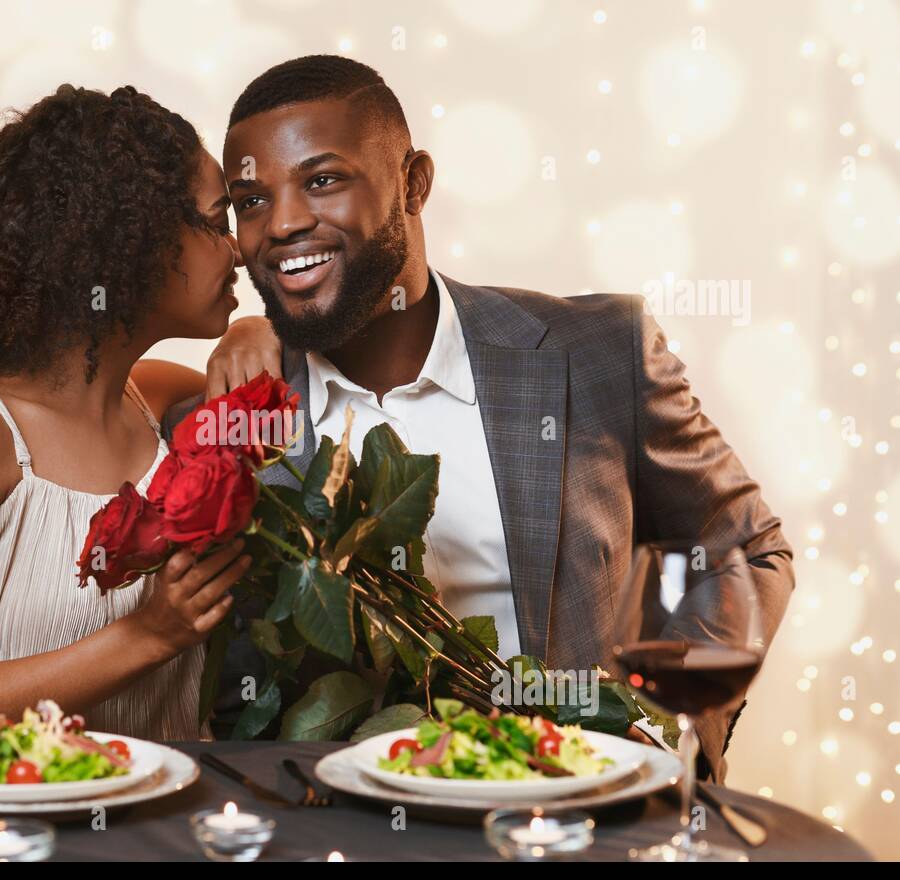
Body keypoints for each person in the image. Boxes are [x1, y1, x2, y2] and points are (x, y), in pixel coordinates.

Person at [168, 56, 794, 781]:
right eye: (250, 200)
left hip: (575, 823)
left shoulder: (599, 354)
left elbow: (744, 548)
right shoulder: (225, 427)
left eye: (323, 180)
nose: (281, 224)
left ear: (414, 183)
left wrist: (660, 737)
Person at [0, 85, 282, 750]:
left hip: (146, 824)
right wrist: (148, 635)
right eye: (217, 221)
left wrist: (253, 329)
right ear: (134, 241)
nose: (239, 249)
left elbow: (274, 421)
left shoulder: (157, 402)